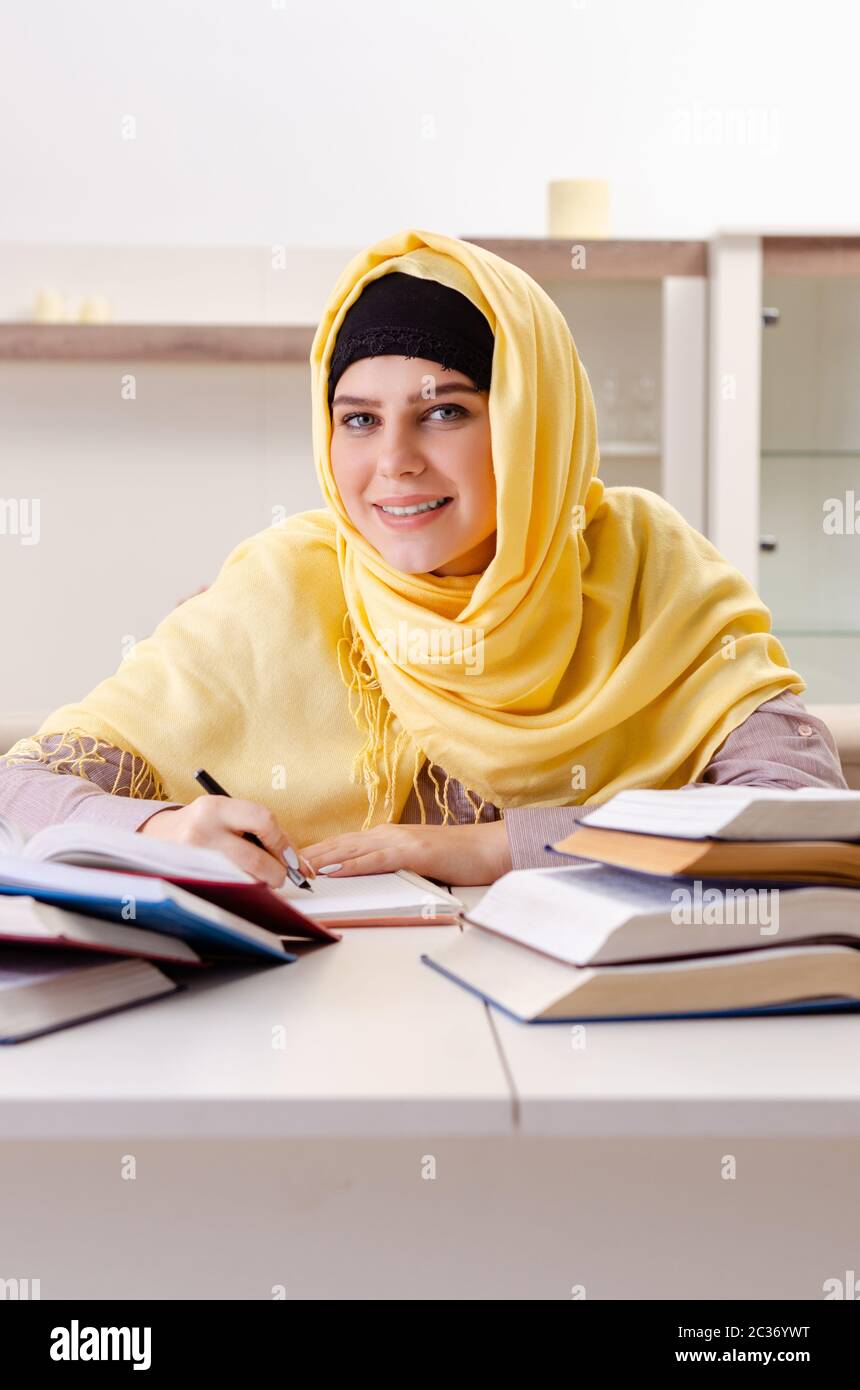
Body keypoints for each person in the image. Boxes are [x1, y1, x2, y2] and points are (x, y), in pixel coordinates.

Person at [0, 229, 847, 888]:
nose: (394, 461)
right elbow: (22, 785)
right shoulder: (283, 587)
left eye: (444, 412)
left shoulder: (645, 564)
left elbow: (801, 809)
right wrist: (158, 829)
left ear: (530, 425)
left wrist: (497, 848)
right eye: (359, 420)